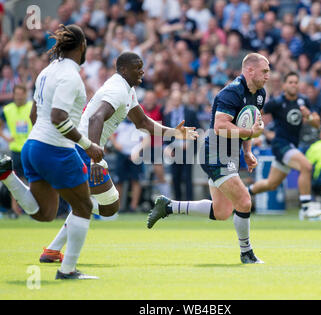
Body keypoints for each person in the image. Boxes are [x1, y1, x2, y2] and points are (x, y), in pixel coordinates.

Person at [37, 51, 198, 263]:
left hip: (81, 149)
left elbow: (143, 123)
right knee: (109, 206)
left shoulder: (126, 88)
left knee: (95, 205)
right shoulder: (117, 90)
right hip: (83, 150)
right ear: (123, 69)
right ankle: (63, 260)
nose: (142, 70)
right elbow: (96, 118)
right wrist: (95, 158)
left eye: (142, 66)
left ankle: (52, 250)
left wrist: (174, 133)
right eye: (137, 67)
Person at [0, 24, 104, 280]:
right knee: (83, 205)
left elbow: (36, 115)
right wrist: (88, 145)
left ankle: (8, 177)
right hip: (54, 149)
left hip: (33, 146)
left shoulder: (46, 71)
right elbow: (58, 117)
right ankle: (68, 270)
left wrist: (43, 147)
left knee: (45, 213)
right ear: (81, 47)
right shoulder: (70, 77)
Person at [147, 53, 268, 264]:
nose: (268, 76)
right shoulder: (230, 93)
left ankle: (167, 206)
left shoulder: (260, 94)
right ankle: (246, 253)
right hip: (215, 153)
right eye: (265, 71)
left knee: (221, 211)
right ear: (250, 70)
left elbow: (250, 123)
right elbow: (221, 127)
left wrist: (247, 151)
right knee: (245, 201)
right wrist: (250, 134)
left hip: (229, 154)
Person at [247, 71, 321, 220]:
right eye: (290, 82)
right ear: (284, 85)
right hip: (280, 144)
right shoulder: (277, 102)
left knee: (271, 184)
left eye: (296, 82)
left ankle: (245, 192)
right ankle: (306, 209)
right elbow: (257, 112)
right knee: (306, 167)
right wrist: (257, 131)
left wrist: (308, 115)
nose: (294, 85)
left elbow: (317, 124)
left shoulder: (304, 101)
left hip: (292, 146)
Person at [0, 83, 33, 217]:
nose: (19, 97)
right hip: (15, 150)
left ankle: (33, 208)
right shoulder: (7, 109)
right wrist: (6, 138)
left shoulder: (32, 107)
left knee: (33, 179)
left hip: (30, 148)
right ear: (13, 95)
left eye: (21, 94)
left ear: (25, 94)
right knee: (15, 181)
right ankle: (15, 210)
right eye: (16, 94)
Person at [163, 89, 200, 201]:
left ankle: (189, 202)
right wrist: (168, 147)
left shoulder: (190, 113)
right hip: (174, 151)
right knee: (175, 178)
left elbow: (197, 129)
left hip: (187, 149)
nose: (176, 101)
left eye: (177, 99)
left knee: (188, 177)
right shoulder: (168, 115)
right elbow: (166, 134)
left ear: (181, 99)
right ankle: (177, 202)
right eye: (173, 99)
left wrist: (188, 142)